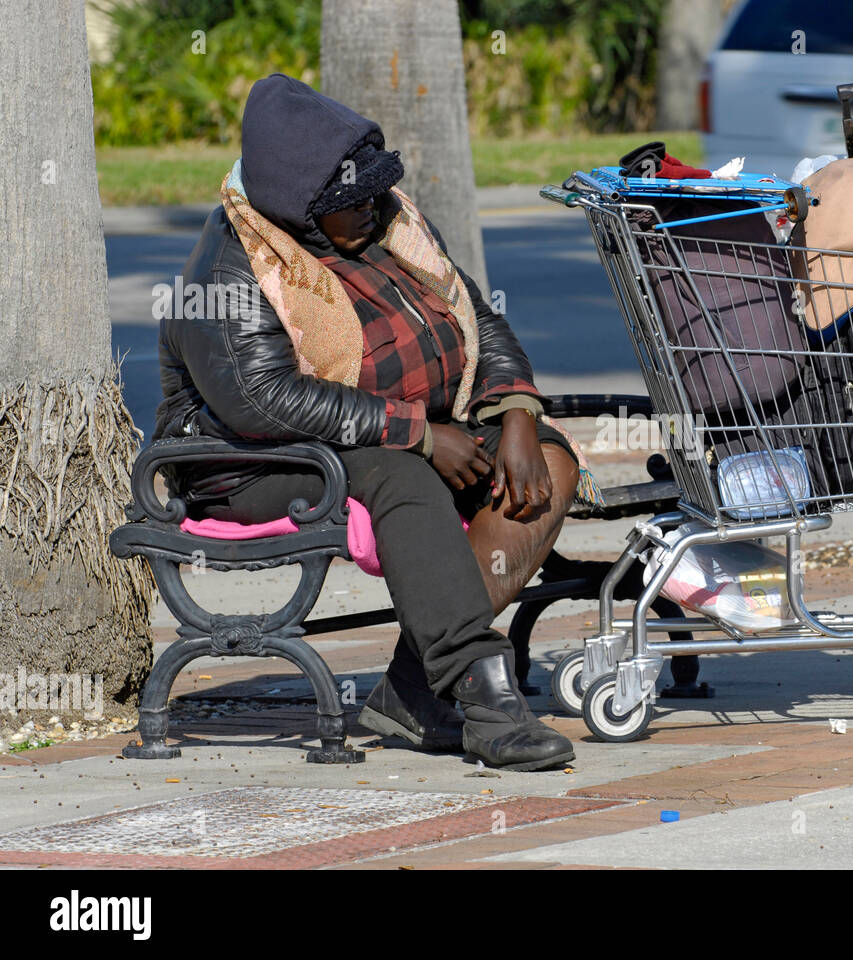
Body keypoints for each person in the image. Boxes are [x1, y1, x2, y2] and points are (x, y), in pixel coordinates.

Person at [152, 73, 582, 771]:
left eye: (380, 190)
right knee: (398, 472)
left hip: (376, 433)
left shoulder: (387, 225)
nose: (378, 207)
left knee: (549, 466)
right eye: (356, 202)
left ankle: (413, 691)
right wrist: (415, 430)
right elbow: (263, 401)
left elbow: (481, 319)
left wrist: (516, 416)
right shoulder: (232, 270)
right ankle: (484, 694)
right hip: (249, 462)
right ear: (304, 211)